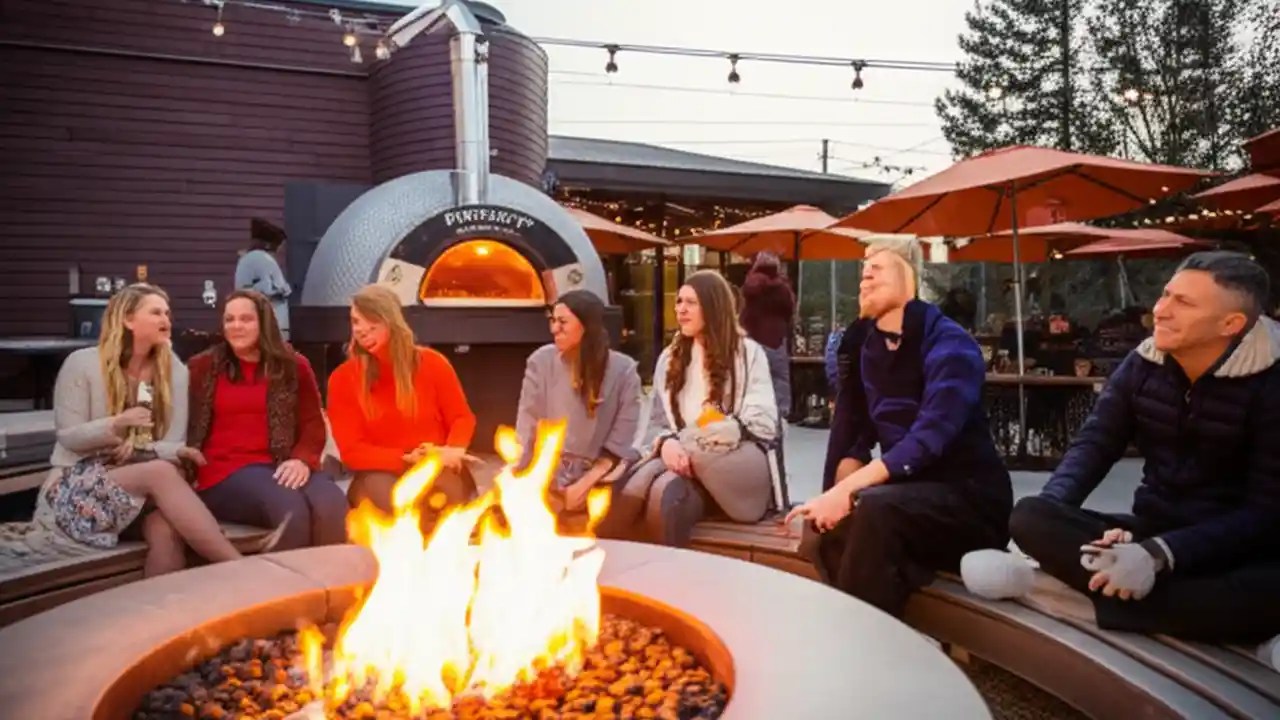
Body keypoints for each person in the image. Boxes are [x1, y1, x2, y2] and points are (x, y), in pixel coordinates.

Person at [969, 252, 1280, 664]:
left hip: (1238, 549)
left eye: (1184, 303)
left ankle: (1070, 596)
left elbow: (1265, 512)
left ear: (1231, 324)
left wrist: (1159, 554)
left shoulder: (1271, 383)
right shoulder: (1144, 362)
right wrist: (1057, 510)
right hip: (1149, 528)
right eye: (1165, 295)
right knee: (1031, 516)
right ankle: (1189, 613)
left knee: (1269, 590)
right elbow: (1095, 444)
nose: (1160, 310)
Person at [786, 238, 1013, 618]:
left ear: (910, 278)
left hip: (970, 502)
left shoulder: (952, 345)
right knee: (826, 530)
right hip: (908, 497)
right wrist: (833, 497)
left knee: (875, 511)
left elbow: (927, 439)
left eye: (877, 268)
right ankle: (875, 627)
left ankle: (864, 635)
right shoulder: (867, 348)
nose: (865, 278)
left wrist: (848, 492)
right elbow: (853, 433)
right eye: (863, 272)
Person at [0, 284, 269, 576]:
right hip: (74, 488)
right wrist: (115, 425)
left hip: (137, 492)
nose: (166, 319)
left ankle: (164, 603)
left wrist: (157, 450)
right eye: (155, 313)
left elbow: (172, 442)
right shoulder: (82, 364)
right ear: (128, 320)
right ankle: (240, 569)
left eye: (167, 313)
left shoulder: (174, 371)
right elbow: (68, 436)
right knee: (160, 472)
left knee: (166, 529)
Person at [609, 270, 778, 547]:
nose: (681, 309)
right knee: (642, 487)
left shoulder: (747, 353)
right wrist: (667, 443)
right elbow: (655, 423)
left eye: (691, 302)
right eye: (679, 301)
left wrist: (700, 439)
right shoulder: (669, 358)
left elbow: (763, 420)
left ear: (713, 307)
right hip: (677, 465)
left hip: (727, 467)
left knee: (661, 494)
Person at [186, 290, 348, 551]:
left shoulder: (293, 366)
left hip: (282, 463)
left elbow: (312, 423)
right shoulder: (203, 367)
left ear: (264, 323)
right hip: (223, 471)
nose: (236, 326)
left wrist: (302, 460)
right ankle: (285, 577)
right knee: (289, 508)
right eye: (229, 319)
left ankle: (330, 575)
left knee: (331, 503)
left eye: (246, 319)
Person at [327, 284, 477, 521]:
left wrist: (453, 449)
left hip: (434, 463)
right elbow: (352, 450)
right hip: (379, 472)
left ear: (392, 322)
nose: (362, 331)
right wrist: (404, 458)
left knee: (445, 498)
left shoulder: (433, 363)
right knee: (395, 503)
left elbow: (461, 417)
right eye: (356, 322)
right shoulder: (343, 379)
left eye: (372, 323)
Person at [514, 290, 642, 524]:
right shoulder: (541, 362)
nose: (554, 329)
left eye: (563, 322)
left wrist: (585, 484)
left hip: (602, 474)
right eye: (553, 321)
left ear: (586, 327)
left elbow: (622, 441)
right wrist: (531, 476)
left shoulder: (624, 371)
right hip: (547, 470)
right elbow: (527, 426)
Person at [739, 252, 796, 415]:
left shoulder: (749, 286)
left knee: (751, 378)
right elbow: (790, 310)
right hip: (776, 338)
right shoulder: (782, 288)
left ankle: (753, 411)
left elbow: (743, 311)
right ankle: (780, 414)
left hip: (752, 338)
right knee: (779, 378)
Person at [235, 218, 292, 339]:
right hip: (269, 325)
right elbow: (268, 288)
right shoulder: (263, 259)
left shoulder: (245, 259)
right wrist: (282, 290)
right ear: (269, 244)